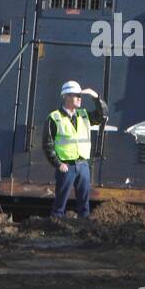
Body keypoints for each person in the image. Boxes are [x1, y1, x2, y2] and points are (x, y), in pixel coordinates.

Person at [44, 80, 107, 218]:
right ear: (66, 96)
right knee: (60, 202)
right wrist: (58, 164)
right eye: (76, 95)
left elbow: (102, 116)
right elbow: (47, 145)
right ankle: (55, 225)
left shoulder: (83, 115)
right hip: (67, 166)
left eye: (80, 95)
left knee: (84, 202)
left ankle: (84, 227)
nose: (79, 98)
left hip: (83, 164)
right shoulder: (55, 117)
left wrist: (96, 97)